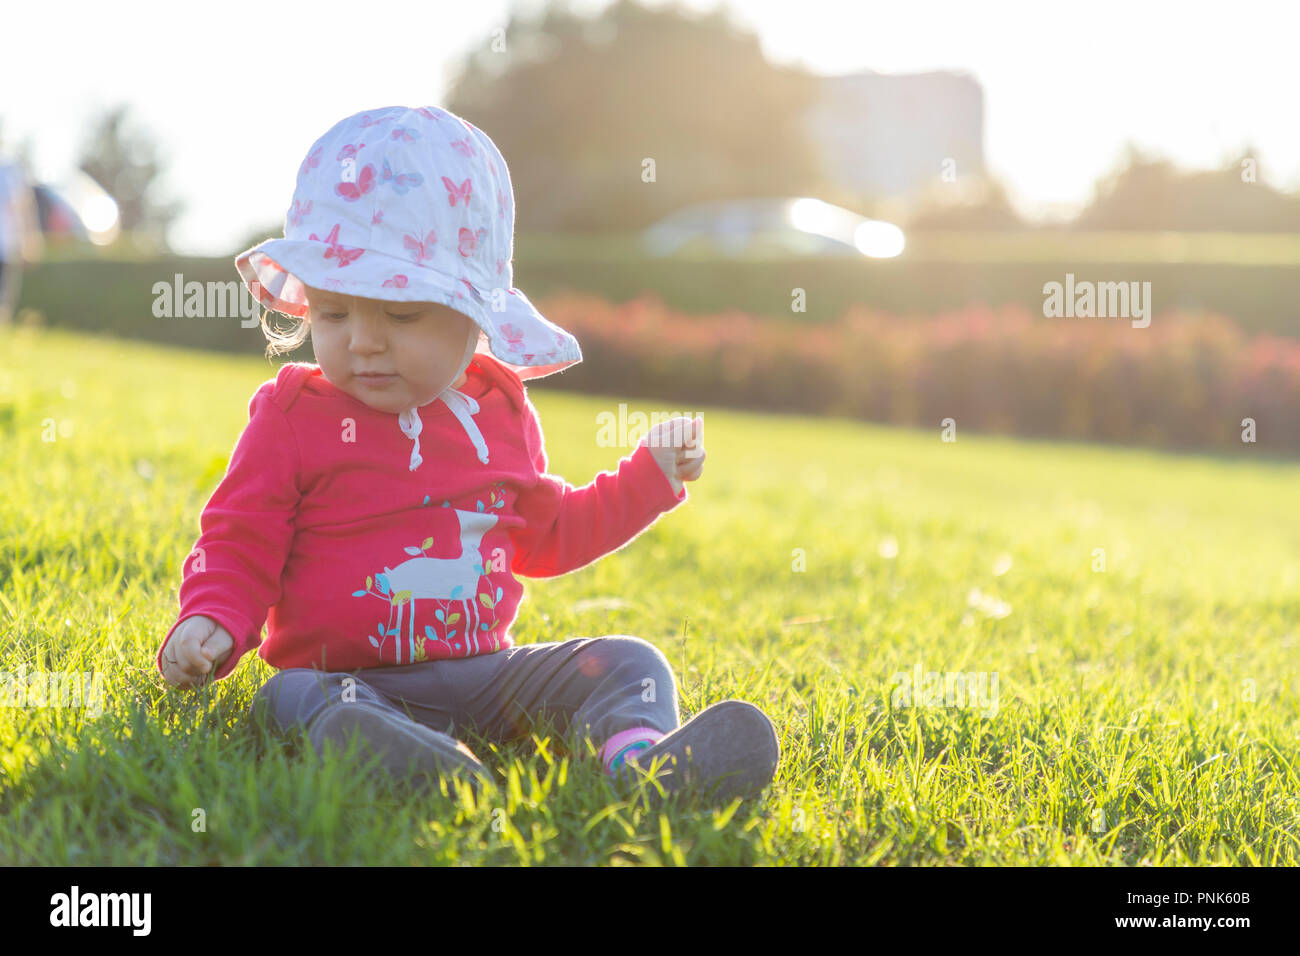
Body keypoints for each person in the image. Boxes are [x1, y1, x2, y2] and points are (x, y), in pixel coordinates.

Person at [155, 105, 779, 807]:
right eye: (334, 313)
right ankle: (407, 759)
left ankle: (640, 765)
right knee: (286, 698)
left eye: (401, 314)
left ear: (475, 314)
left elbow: (549, 535)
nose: (362, 341)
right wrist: (211, 619)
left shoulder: (497, 411)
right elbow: (242, 539)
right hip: (344, 680)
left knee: (629, 663)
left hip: (485, 681)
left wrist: (648, 478)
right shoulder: (294, 416)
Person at [0, 158, 43, 325]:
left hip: (6, 248)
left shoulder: (11, 171)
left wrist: (30, 241)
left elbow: (25, 209)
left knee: (3, 300)